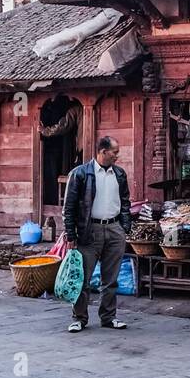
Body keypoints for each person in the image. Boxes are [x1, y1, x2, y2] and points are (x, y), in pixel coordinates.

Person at [62, 136, 131, 332]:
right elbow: (69, 207)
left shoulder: (119, 174)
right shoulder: (80, 174)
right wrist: (71, 235)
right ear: (103, 151)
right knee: (83, 278)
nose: (117, 156)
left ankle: (108, 317)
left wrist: (125, 227)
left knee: (111, 279)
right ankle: (79, 318)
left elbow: (125, 201)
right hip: (89, 230)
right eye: (114, 152)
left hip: (114, 228)